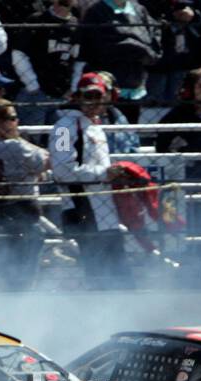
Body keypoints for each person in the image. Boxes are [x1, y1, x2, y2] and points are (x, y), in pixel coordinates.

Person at [51, 71, 131, 289]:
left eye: (99, 96)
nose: (94, 102)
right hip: (82, 209)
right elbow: (61, 171)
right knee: (98, 275)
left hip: (104, 211)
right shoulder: (64, 128)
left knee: (118, 275)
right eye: (89, 96)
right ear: (77, 97)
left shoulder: (94, 125)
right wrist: (104, 174)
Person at [0, 99, 51, 290]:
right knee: (22, 278)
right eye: (12, 118)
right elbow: (49, 160)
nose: (17, 122)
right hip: (19, 213)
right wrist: (19, 138)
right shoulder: (16, 147)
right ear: (0, 123)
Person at [79, 0, 161, 121]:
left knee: (128, 134)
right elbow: (94, 48)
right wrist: (136, 46)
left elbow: (153, 44)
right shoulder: (96, 11)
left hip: (134, 87)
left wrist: (132, 45)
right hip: (105, 91)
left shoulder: (139, 9)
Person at [11, 0, 83, 128]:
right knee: (34, 140)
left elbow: (80, 61)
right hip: (35, 95)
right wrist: (33, 85)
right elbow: (18, 54)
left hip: (63, 96)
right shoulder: (38, 20)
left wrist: (73, 87)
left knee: (62, 142)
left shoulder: (77, 25)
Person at [146, 0, 201, 107]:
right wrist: (170, 15)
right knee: (154, 104)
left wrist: (194, 15)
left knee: (180, 102)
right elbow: (143, 11)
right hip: (158, 60)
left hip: (188, 60)